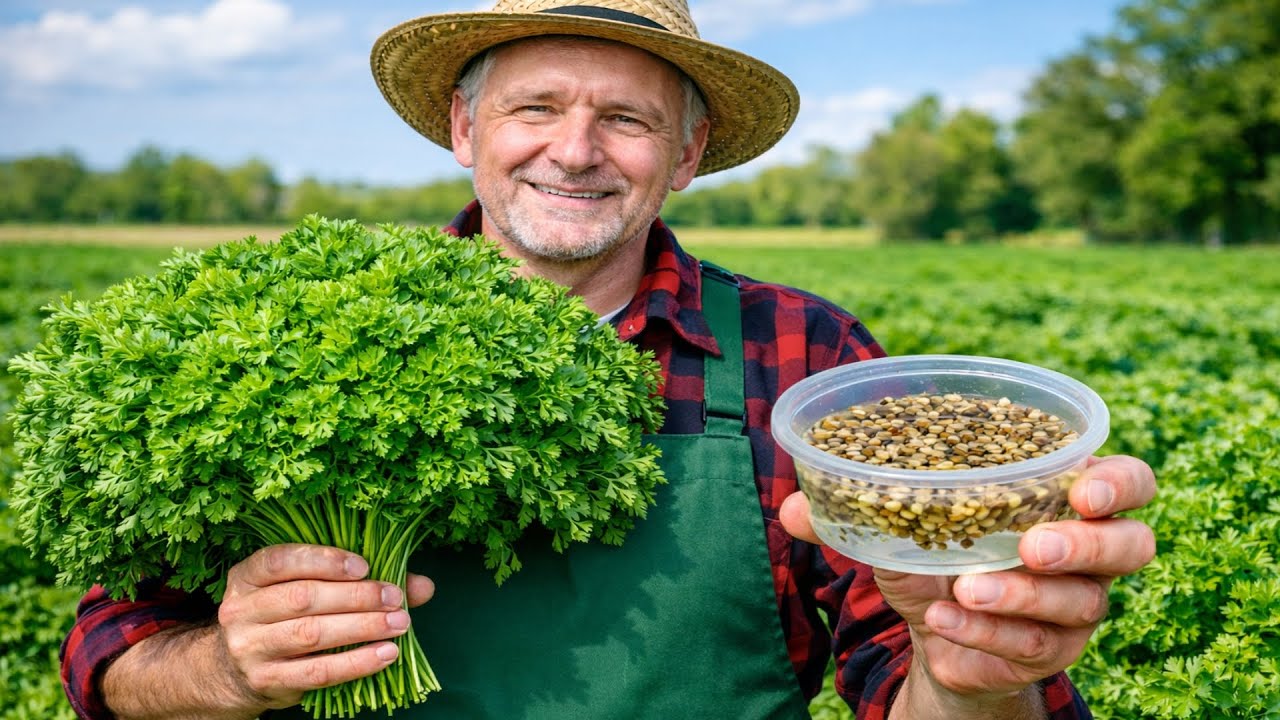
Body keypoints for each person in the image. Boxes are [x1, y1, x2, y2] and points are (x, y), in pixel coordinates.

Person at [61, 1, 1158, 719]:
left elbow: (910, 671)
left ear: (686, 153)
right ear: (464, 128)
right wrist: (227, 669)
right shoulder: (307, 338)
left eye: (626, 119)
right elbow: (111, 652)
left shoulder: (801, 353)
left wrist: (973, 678)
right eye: (535, 107)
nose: (575, 151)